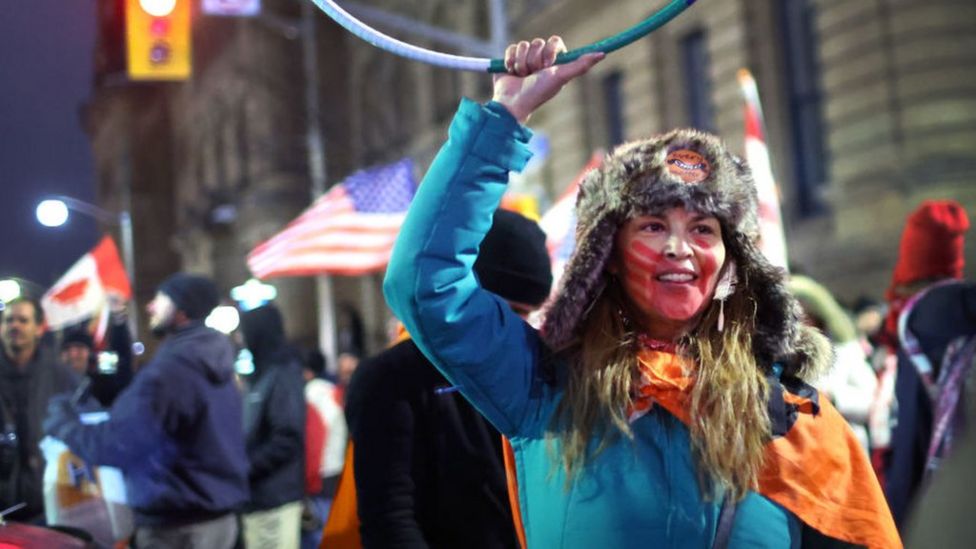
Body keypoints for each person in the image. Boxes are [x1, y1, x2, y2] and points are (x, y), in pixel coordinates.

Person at [382, 37, 899, 548]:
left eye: (703, 229)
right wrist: (503, 120)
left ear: (729, 262)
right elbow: (423, 282)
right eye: (652, 226)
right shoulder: (545, 385)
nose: (680, 248)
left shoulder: (791, 411)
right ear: (606, 255)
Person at [346, 209, 551, 548]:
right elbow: (390, 518)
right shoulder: (390, 377)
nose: (515, 328)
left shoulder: (538, 365)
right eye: (508, 311)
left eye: (527, 315)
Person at [43, 273, 248, 548]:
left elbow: (116, 444)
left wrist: (62, 424)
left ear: (181, 310)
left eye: (161, 300)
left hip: (178, 530)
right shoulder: (211, 357)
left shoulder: (171, 370)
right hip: (216, 520)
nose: (150, 306)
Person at [874, 200, 975, 528]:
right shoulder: (965, 309)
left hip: (941, 505)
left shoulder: (917, 321)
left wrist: (900, 517)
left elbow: (913, 433)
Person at [0, 295, 78, 523]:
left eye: (23, 320)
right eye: (8, 320)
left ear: (38, 328)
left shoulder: (60, 376)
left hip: (48, 504)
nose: (14, 325)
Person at [238, 303, 306, 549]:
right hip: (258, 498)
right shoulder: (261, 375)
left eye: (244, 332)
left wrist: (246, 467)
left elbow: (287, 437)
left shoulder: (282, 374)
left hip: (275, 499)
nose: (240, 339)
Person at [787, 274, 877, 451]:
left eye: (803, 315)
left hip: (846, 447)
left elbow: (871, 400)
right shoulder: (781, 357)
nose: (799, 323)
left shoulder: (846, 350)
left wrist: (834, 398)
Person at [300, 348, 346, 549]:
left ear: (306, 371)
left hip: (319, 472)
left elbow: (312, 440)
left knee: (319, 530)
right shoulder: (334, 391)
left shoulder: (309, 395)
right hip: (338, 467)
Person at [59, 299, 134, 407]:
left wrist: (118, 321)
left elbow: (122, 363)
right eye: (67, 349)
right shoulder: (50, 383)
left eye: (79, 348)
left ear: (89, 353)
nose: (73, 354)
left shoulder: (102, 382)